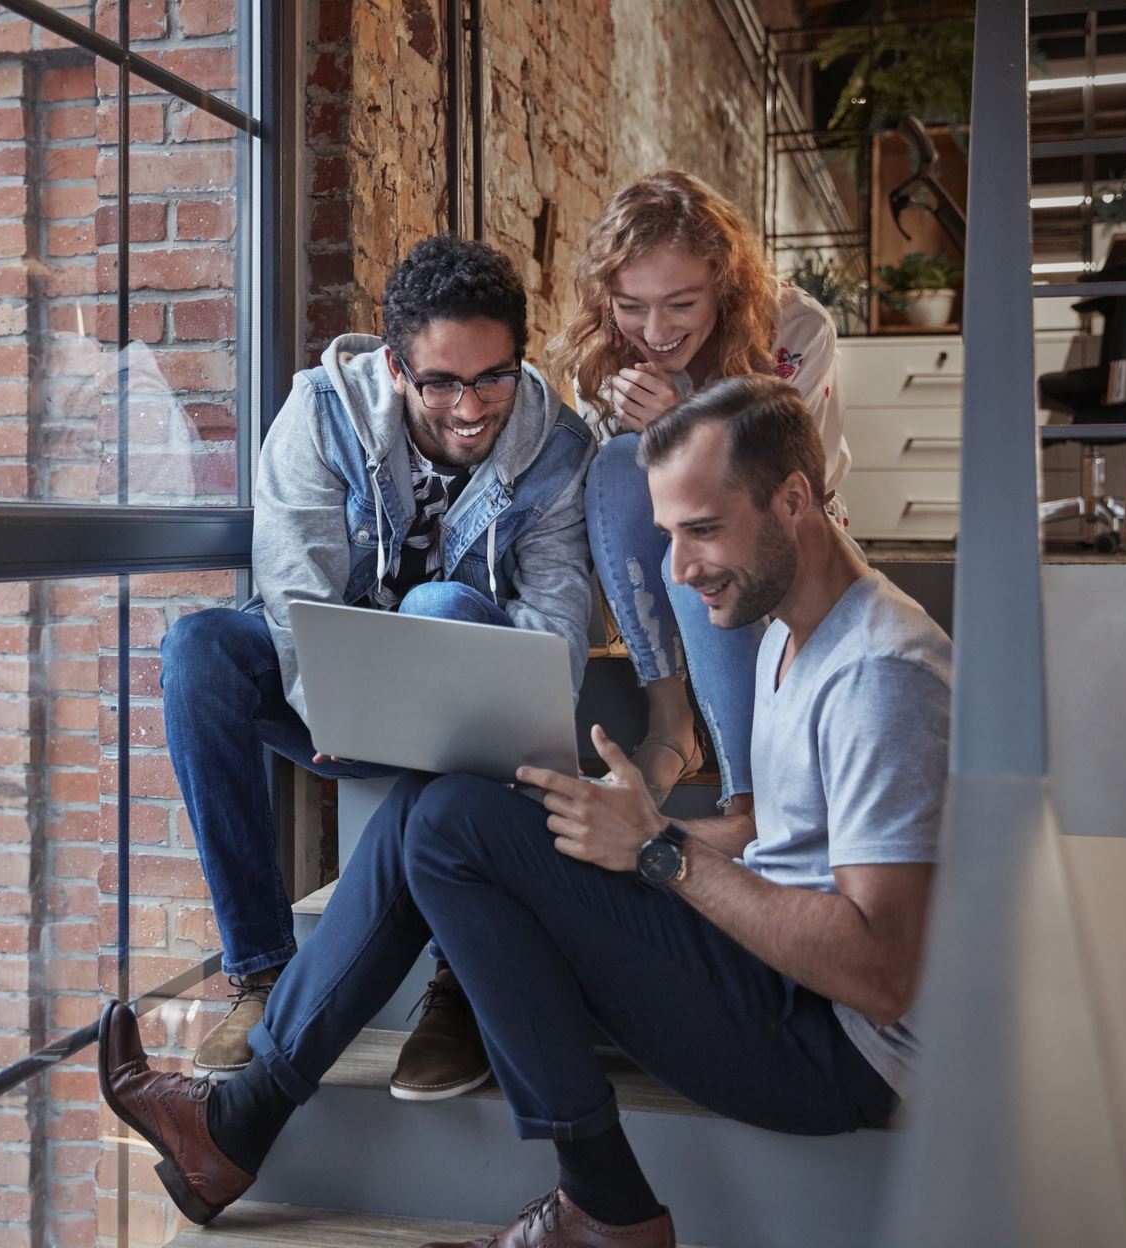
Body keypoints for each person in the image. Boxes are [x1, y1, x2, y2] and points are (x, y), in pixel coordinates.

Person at [103, 374, 950, 1245]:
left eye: (703, 530)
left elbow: (880, 974)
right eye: (668, 535)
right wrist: (618, 831)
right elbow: (796, 843)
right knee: (441, 806)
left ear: (796, 499)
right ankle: (234, 1128)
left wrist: (661, 853)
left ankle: (606, 1205)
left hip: (829, 1051)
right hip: (767, 977)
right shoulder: (794, 626)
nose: (683, 569)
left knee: (450, 826)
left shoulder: (879, 675)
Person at [160, 234, 596, 1100]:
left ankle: (462, 981)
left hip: (474, 730)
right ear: (397, 367)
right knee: (198, 650)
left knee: (440, 611)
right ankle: (263, 971)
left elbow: (553, 642)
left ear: (520, 357)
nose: (471, 408)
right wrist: (333, 705)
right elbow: (293, 600)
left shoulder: (558, 453)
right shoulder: (322, 414)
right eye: (441, 382)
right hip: (330, 704)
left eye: (493, 377)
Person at [548, 170, 853, 815]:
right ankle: (671, 722)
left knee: (689, 556)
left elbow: (790, 481)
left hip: (785, 535)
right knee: (618, 467)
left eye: (681, 304)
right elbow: (620, 507)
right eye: (631, 306)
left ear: (723, 282)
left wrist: (682, 418)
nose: (654, 330)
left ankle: (748, 797)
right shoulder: (602, 354)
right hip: (663, 555)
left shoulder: (796, 329)